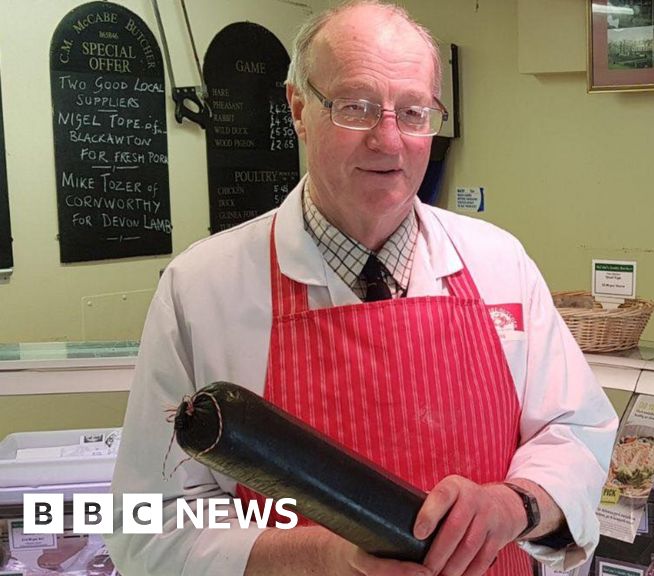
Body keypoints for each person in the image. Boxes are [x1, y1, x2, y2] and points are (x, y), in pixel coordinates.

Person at [106, 2, 618, 575]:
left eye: (414, 111)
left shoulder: (501, 263)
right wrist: (324, 558)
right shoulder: (201, 289)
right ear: (299, 110)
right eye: (357, 107)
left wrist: (517, 504)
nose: (389, 140)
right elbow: (148, 523)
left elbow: (574, 430)